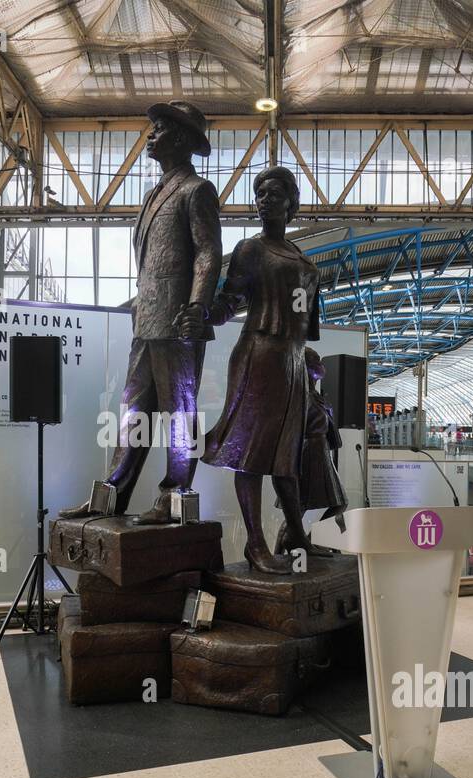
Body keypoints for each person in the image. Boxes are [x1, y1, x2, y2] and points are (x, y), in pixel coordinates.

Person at [59, 100, 221, 524]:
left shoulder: (196, 190)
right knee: (133, 411)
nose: (151, 134)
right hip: (147, 320)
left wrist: (198, 305)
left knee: (179, 414)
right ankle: (111, 495)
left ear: (183, 139)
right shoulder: (154, 195)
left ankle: (174, 499)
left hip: (178, 322)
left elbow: (208, 252)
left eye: (161, 128)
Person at [202, 166, 319, 574]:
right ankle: (256, 544)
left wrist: (304, 369)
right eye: (260, 193)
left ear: (291, 202)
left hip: (292, 362)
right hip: (258, 354)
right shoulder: (250, 249)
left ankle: (298, 539)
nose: (265, 199)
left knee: (286, 459)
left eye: (274, 193)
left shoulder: (306, 264)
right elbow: (229, 300)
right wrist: (205, 312)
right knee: (249, 455)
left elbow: (306, 326)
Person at [276, 347, 347, 556]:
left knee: (339, 503)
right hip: (306, 454)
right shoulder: (297, 394)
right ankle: (280, 551)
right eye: (316, 360)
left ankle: (308, 540)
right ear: (304, 366)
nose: (321, 365)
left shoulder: (315, 395)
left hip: (321, 452)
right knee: (296, 511)